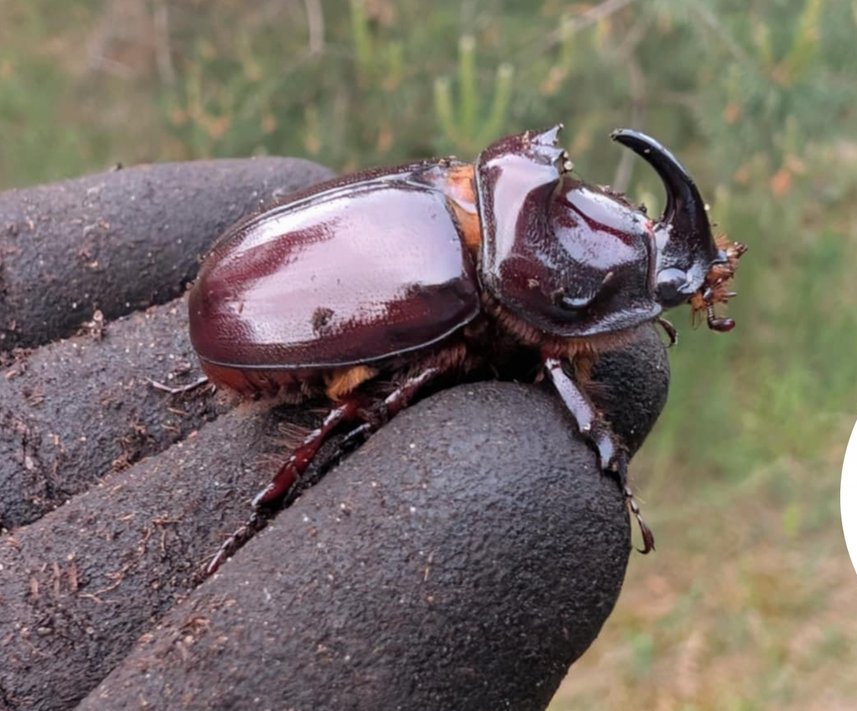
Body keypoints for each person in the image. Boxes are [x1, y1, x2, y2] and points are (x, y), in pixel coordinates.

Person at [0, 159, 668, 710]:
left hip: (247, 305)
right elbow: (552, 362)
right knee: (362, 406)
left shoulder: (465, 189)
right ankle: (261, 509)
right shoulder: (463, 285)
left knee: (375, 402)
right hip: (256, 331)